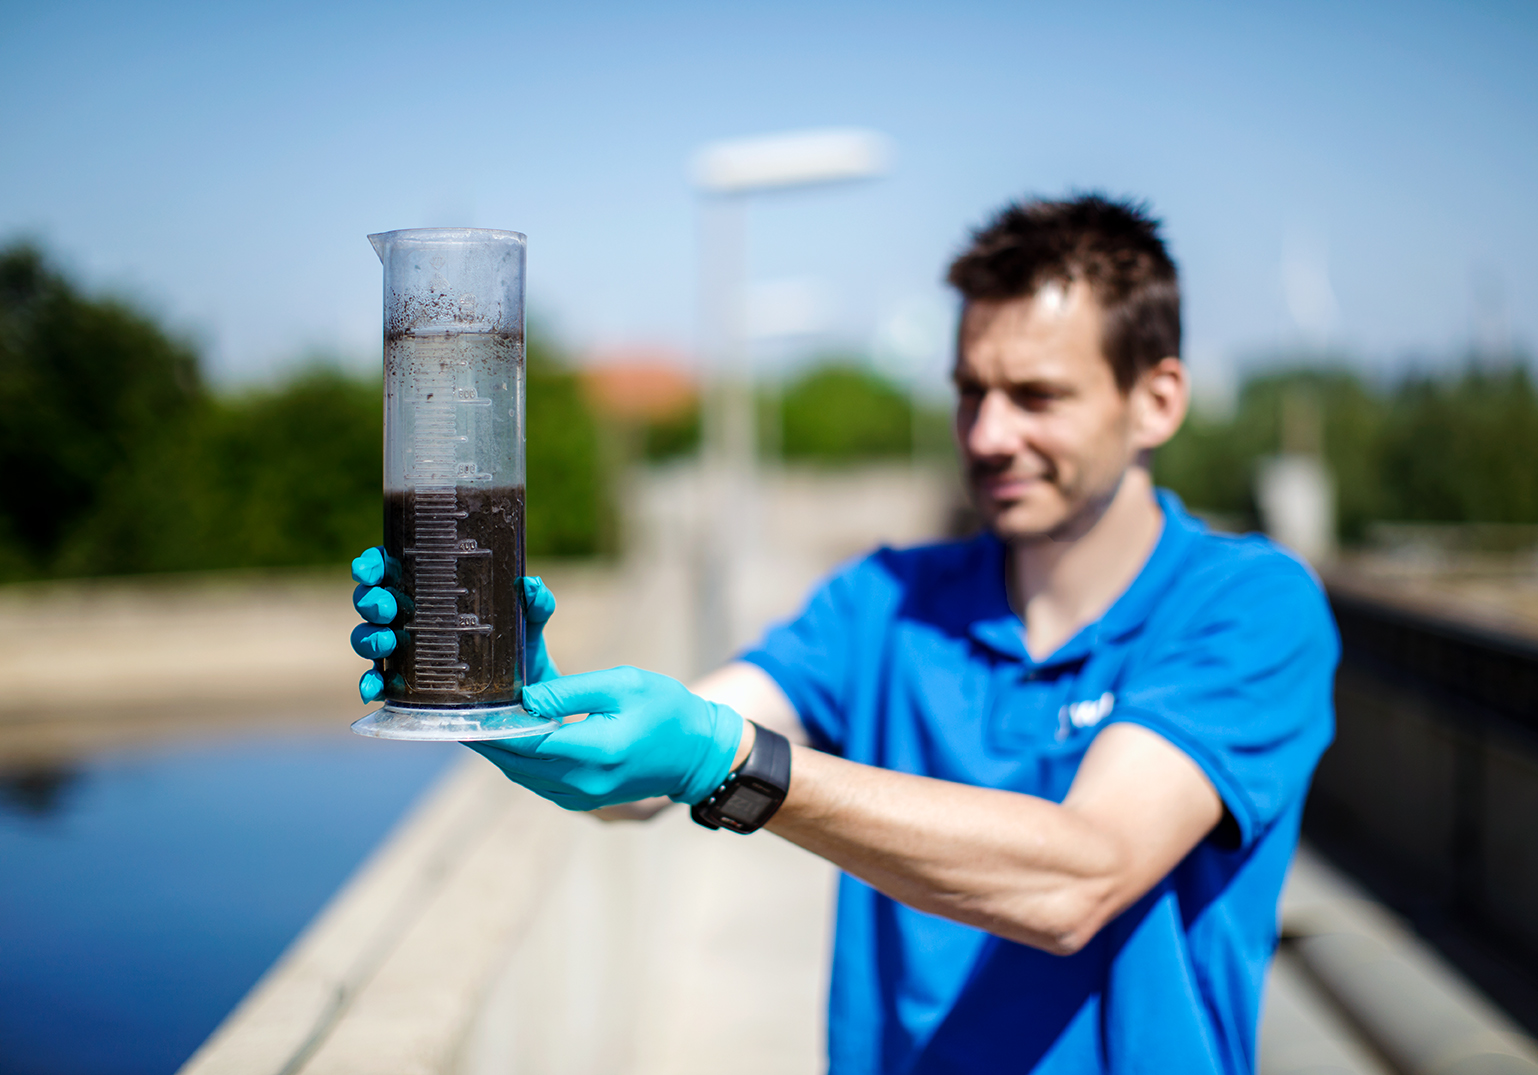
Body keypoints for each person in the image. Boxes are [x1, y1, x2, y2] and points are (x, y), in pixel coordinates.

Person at [350, 194, 1338, 1075]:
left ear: (1156, 398)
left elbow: (1077, 878)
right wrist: (517, 706)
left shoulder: (1246, 606)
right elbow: (648, 776)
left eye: (1035, 396)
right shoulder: (881, 601)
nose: (987, 434)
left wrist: (731, 763)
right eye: (967, 391)